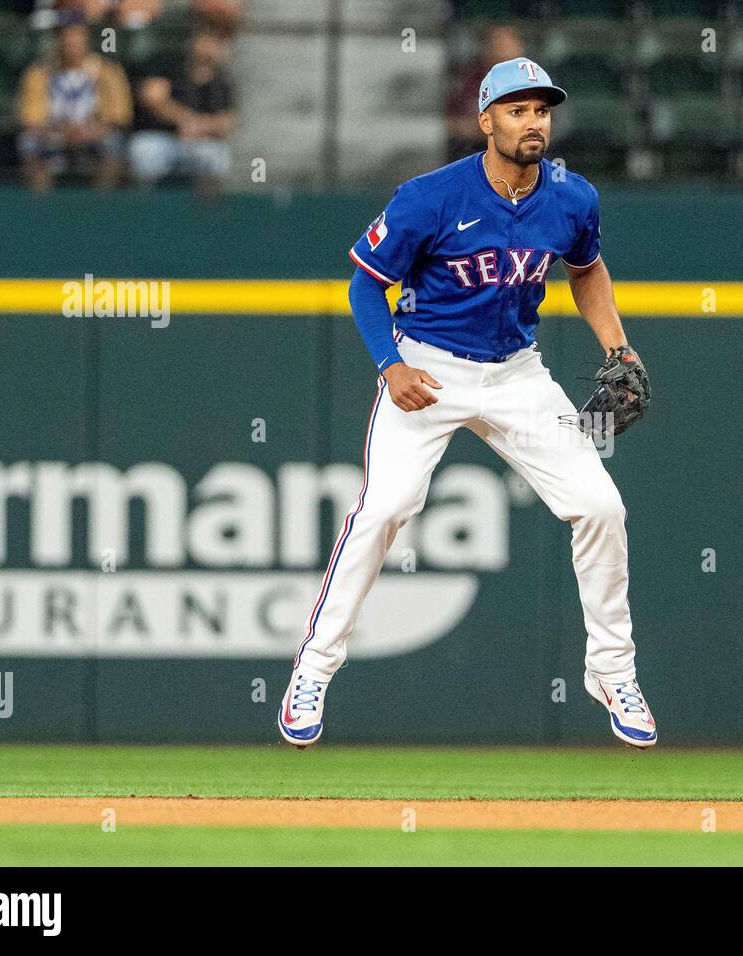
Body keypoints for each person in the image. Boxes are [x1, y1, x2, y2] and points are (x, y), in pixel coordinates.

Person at [279, 57, 658, 750]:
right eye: (516, 110)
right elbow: (365, 285)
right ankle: (314, 667)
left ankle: (612, 671)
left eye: (541, 110)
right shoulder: (430, 197)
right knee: (386, 509)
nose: (532, 121)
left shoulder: (573, 197)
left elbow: (588, 269)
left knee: (601, 506)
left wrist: (619, 349)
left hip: (518, 375)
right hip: (426, 368)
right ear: (486, 121)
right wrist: (389, 366)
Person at [16, 10, 133, 190]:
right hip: (53, 133)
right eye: (64, 35)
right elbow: (31, 119)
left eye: (77, 34)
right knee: (28, 143)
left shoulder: (109, 72)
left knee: (114, 142)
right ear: (56, 39)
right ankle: (39, 208)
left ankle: (103, 205)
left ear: (87, 38)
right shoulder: (38, 73)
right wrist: (63, 132)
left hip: (95, 134)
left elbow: (119, 117)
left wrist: (88, 132)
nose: (71, 41)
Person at [129, 28, 237, 188]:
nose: (208, 51)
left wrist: (199, 127)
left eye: (214, 45)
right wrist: (186, 120)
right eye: (204, 43)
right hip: (162, 136)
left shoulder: (222, 82)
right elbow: (152, 97)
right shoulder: (169, 65)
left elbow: (228, 121)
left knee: (217, 157)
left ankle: (207, 211)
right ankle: (143, 206)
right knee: (143, 151)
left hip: (200, 140)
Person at [445, 25, 525, 160]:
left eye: (507, 44)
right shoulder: (470, 81)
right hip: (473, 151)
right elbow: (447, 123)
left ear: (519, 48)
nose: (502, 51)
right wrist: (468, 127)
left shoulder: (532, 80)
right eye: (497, 44)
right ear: (486, 49)